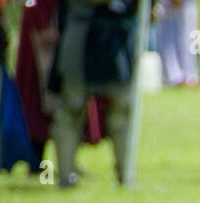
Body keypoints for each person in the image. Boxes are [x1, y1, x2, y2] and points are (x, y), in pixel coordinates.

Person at [47, 0, 135, 186]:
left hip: (113, 39)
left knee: (122, 111)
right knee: (71, 109)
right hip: (80, 34)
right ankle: (66, 175)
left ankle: (125, 173)